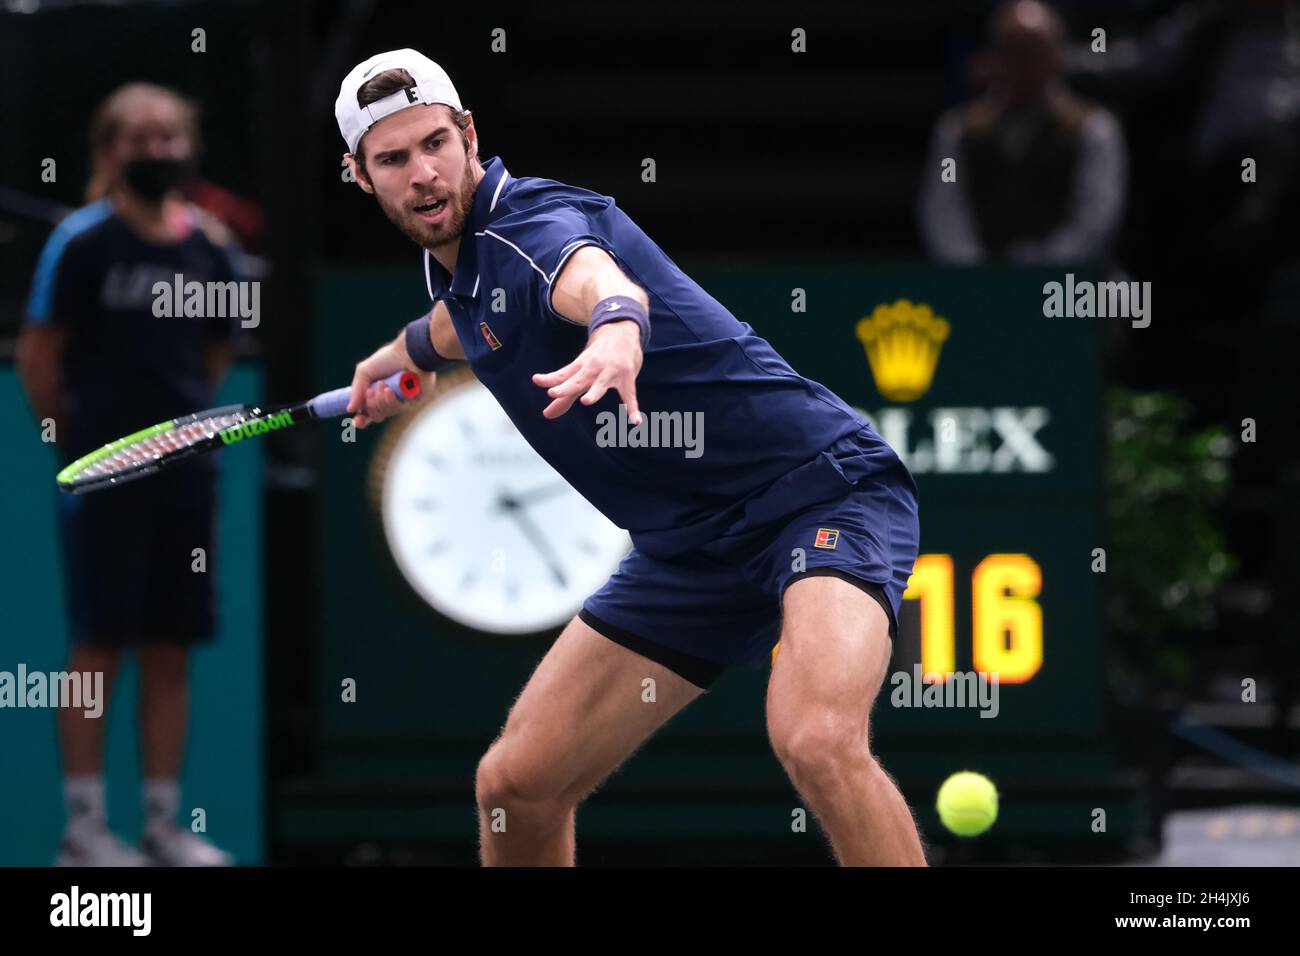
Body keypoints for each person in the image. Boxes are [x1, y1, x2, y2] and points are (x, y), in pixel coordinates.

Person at [337, 50, 924, 866]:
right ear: (361, 177)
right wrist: (399, 357)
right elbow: (461, 318)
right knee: (516, 788)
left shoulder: (530, 222)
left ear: (471, 136)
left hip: (820, 496)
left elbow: (594, 279)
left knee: (817, 738)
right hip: (689, 550)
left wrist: (616, 326)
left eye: (436, 143)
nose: (424, 173)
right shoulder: (464, 272)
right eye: (394, 159)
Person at [15, 82, 239, 866]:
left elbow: (213, 359)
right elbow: (39, 356)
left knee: (171, 645)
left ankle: (161, 825)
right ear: (108, 151)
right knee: (100, 642)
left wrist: (174, 440)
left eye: (169, 136)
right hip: (102, 476)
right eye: (139, 139)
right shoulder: (81, 243)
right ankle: (83, 830)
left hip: (186, 479)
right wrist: (73, 448)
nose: (157, 152)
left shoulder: (211, 249)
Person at [918, 0, 1127, 266]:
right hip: (978, 284)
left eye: (1035, 53)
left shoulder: (1095, 131)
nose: (1025, 65)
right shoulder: (957, 132)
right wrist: (975, 269)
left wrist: (1040, 265)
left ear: (1057, 57)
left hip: (1067, 286)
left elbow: (1095, 219)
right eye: (1014, 52)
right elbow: (943, 210)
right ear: (994, 58)